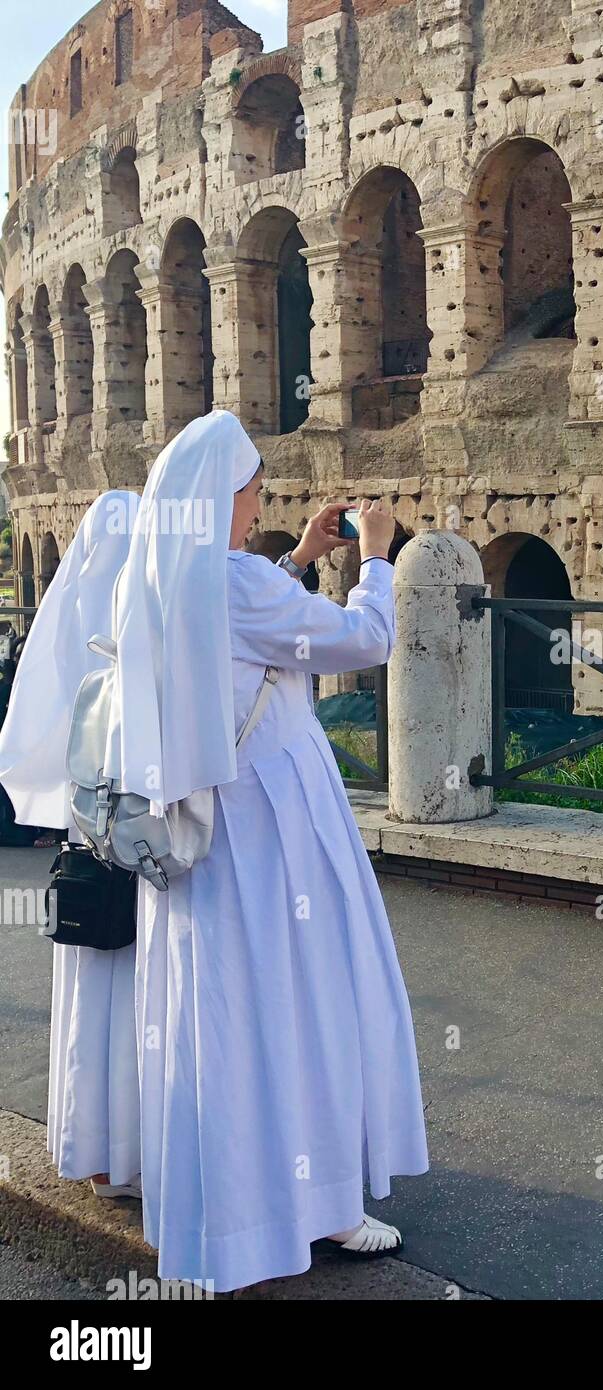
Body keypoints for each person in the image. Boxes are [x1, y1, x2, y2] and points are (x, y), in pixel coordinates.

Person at [108, 410, 428, 1291]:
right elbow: (366, 639)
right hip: (273, 825)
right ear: (223, 496)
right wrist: (371, 554)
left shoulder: (164, 576)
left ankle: (238, 1217)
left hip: (203, 828)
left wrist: (295, 563)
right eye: (253, 493)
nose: (258, 507)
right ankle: (318, 1200)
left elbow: (239, 639)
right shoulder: (238, 581)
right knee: (303, 1004)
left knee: (227, 1020)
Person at [0, 490, 143, 1198]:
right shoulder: (139, 628)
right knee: (139, 997)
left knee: (89, 995)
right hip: (141, 839)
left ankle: (92, 1149)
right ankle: (136, 1151)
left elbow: (36, 730)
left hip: (85, 844)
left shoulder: (68, 634)